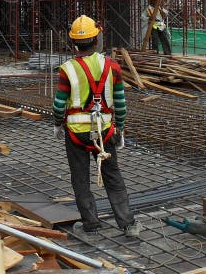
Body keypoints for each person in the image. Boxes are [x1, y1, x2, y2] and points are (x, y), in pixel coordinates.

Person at [52, 15, 140, 238]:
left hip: (76, 135)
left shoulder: (68, 69)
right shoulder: (112, 66)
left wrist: (57, 123)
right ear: (96, 40)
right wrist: (119, 128)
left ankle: (91, 223)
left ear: (74, 43)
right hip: (104, 131)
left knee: (80, 179)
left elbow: (59, 103)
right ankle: (128, 224)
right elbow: (120, 102)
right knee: (113, 177)